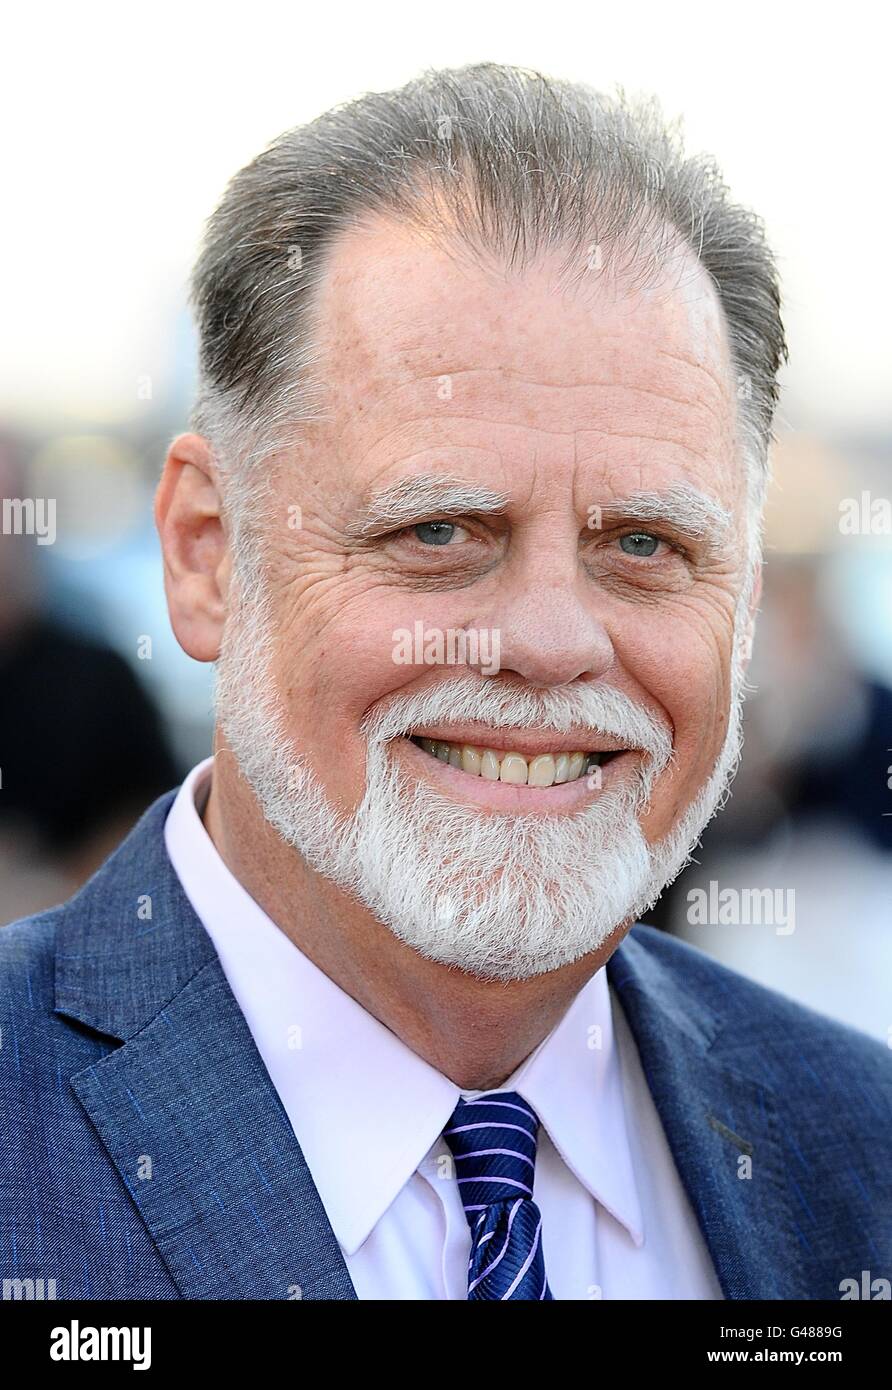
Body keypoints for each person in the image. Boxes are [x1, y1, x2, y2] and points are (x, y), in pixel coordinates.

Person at [1, 63, 889, 1302]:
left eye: (644, 544)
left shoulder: (861, 1157)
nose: (545, 640)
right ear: (207, 554)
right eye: (439, 531)